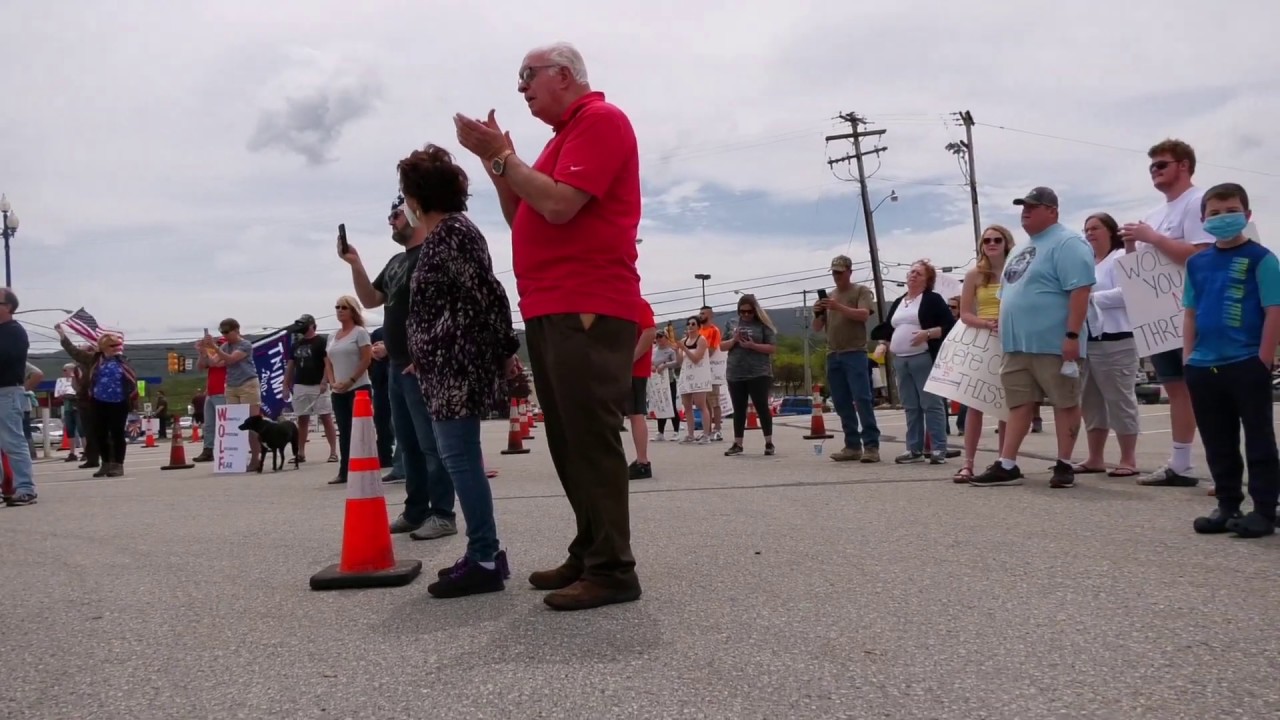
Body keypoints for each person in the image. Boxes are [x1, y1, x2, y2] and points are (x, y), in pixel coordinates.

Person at [454, 41, 643, 610]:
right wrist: (498, 162)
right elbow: (523, 214)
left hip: (585, 301)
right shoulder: (561, 138)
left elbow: (561, 206)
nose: (520, 86)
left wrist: (506, 158)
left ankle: (613, 570)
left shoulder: (600, 120)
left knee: (588, 439)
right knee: (566, 439)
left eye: (527, 75)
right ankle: (590, 551)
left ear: (564, 74)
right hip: (552, 305)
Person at [399, 143, 521, 597]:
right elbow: (447, 306)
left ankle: (485, 556)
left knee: (459, 459)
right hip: (444, 363)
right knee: (459, 457)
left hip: (457, 366)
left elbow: (488, 295)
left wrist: (505, 350)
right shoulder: (448, 234)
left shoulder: (451, 234)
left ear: (416, 198)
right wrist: (423, 350)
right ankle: (483, 553)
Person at [339, 195, 457, 541]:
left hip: (422, 368)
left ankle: (443, 513)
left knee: (431, 444)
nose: (391, 221)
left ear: (412, 213)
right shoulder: (395, 262)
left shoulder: (434, 255)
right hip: (396, 367)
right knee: (407, 443)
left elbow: (448, 310)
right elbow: (371, 300)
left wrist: (429, 354)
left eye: (395, 214)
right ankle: (416, 509)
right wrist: (355, 263)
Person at [970, 187, 1095, 489]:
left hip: (1054, 343)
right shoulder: (1020, 248)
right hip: (1017, 345)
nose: (1025, 211)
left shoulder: (1068, 243)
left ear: (1052, 211)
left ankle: (1064, 464)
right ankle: (1007, 463)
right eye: (1023, 206)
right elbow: (1009, 292)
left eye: (1033, 206)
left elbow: (1080, 290)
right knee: (1019, 404)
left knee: (1065, 401)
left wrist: (1072, 336)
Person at [1184, 183, 1279, 538]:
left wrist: (1263, 359)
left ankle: (1265, 509)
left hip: (1246, 362)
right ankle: (1227, 503)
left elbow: (1274, 310)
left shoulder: (1262, 259)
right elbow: (1190, 313)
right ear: (1203, 219)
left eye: (1231, 211)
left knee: (1258, 438)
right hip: (1203, 365)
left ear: (1247, 215)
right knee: (1217, 439)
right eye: (1215, 213)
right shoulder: (1197, 263)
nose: (1223, 218)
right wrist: (1188, 358)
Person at [1121, 139, 1214, 488]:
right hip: (1160, 318)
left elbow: (1201, 255)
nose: (1155, 172)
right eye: (1151, 167)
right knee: (1176, 388)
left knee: (1209, 389)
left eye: (1161, 165)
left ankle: (1226, 467)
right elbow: (1142, 270)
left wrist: (1153, 237)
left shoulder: (1198, 202)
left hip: (1194, 310)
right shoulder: (1156, 214)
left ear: (1184, 165)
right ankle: (1181, 462)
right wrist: (1133, 242)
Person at [1076, 213, 1141, 477]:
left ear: (1110, 230)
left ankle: (1128, 459)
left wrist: (1090, 298)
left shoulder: (1119, 258)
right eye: (1086, 229)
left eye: (1095, 228)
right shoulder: (1086, 264)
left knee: (1119, 399)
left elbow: (1129, 293)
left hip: (1117, 338)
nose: (1090, 233)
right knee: (1090, 402)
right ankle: (1095, 458)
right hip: (1087, 339)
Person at [871, 260, 954, 464]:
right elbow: (890, 327)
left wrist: (928, 333)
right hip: (900, 360)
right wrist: (883, 343)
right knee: (910, 405)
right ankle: (914, 448)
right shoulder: (900, 301)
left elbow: (949, 325)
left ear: (928, 280)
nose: (913, 275)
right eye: (911, 272)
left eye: (918, 273)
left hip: (923, 357)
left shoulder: (932, 300)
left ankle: (938, 448)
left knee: (930, 403)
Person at [953, 225, 1015, 482]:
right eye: (986, 240)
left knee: (1007, 405)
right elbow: (965, 314)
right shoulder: (974, 276)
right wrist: (987, 323)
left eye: (997, 239)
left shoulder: (1017, 273)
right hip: (982, 338)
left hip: (1012, 339)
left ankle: (1003, 461)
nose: (991, 243)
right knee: (975, 404)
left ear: (1006, 243)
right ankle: (968, 463)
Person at [814, 254, 881, 463]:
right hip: (833, 354)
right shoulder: (830, 297)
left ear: (849, 272)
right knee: (841, 402)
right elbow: (817, 329)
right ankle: (852, 445)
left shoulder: (860, 291)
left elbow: (863, 315)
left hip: (855, 352)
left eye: (840, 273)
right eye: (834, 272)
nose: (837, 277)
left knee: (862, 399)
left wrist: (838, 307)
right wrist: (818, 312)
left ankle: (871, 445)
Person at [201, 319, 263, 472]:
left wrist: (214, 347)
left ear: (236, 330)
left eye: (227, 332)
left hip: (248, 384)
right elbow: (214, 363)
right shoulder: (225, 346)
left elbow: (230, 359)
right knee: (234, 424)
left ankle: (256, 458)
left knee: (252, 423)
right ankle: (235, 458)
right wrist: (204, 351)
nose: (225, 335)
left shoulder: (245, 345)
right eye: (222, 332)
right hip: (232, 386)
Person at [324, 296, 373, 486]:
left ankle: (367, 468)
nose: (340, 310)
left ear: (353, 310)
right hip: (338, 390)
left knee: (361, 431)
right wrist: (333, 381)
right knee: (344, 431)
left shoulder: (360, 333)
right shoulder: (332, 337)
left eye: (344, 307)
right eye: (337, 307)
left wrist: (351, 380)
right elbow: (328, 361)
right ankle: (345, 470)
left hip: (358, 387)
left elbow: (366, 359)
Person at [722, 293, 777, 456]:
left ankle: (769, 442)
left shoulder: (763, 324)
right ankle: (738, 443)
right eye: (742, 311)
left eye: (749, 312)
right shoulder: (731, 323)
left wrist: (753, 345)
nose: (746, 315)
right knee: (738, 409)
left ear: (755, 311)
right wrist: (734, 340)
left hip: (758, 372)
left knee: (761, 407)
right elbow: (720, 346)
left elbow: (772, 348)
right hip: (735, 371)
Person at [284, 313, 339, 464]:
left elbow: (327, 362)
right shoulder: (296, 344)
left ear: (311, 325)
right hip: (300, 384)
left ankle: (333, 452)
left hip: (317, 384)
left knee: (326, 417)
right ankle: (300, 452)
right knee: (302, 418)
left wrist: (324, 381)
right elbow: (290, 365)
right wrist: (285, 385)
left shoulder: (321, 342)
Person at [0, 288, 36, 506]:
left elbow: (5, 357)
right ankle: (6, 487)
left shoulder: (14, 331)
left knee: (13, 442)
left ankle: (25, 489)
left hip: (7, 392)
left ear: (8, 307)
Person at [86, 333, 139, 478]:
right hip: (98, 401)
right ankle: (106, 463)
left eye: (117, 345)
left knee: (117, 433)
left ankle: (118, 464)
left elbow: (131, 379)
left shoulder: (123, 361)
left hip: (119, 401)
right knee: (100, 434)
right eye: (112, 346)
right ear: (103, 347)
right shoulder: (96, 361)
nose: (116, 348)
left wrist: (133, 399)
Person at [626, 300, 658, 479]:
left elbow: (650, 331)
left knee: (636, 413)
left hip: (633, 371)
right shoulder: (615, 302)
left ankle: (643, 462)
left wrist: (630, 359)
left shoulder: (637, 303)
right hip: (617, 369)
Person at [676, 317, 714, 443]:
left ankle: (706, 434)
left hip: (699, 376)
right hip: (686, 375)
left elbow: (696, 358)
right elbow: (680, 362)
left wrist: (684, 348)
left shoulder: (701, 340)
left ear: (698, 326)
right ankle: (690, 434)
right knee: (687, 406)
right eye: (689, 324)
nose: (690, 326)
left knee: (700, 404)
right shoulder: (684, 340)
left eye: (693, 324)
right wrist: (678, 350)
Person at [699, 305, 726, 442]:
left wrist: (698, 356)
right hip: (700, 370)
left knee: (714, 401)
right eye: (700, 313)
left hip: (712, 370)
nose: (700, 315)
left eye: (703, 313)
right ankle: (707, 430)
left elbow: (711, 350)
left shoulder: (713, 330)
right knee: (704, 402)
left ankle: (717, 429)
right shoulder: (698, 331)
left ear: (710, 315)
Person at [650, 331, 681, 441]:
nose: (659, 339)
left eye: (661, 337)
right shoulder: (653, 351)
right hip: (657, 382)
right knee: (660, 405)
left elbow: (677, 363)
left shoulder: (670, 351)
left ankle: (676, 431)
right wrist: (652, 366)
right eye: (657, 337)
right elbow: (650, 362)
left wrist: (665, 365)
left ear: (666, 338)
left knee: (671, 405)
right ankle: (660, 432)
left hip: (669, 381)